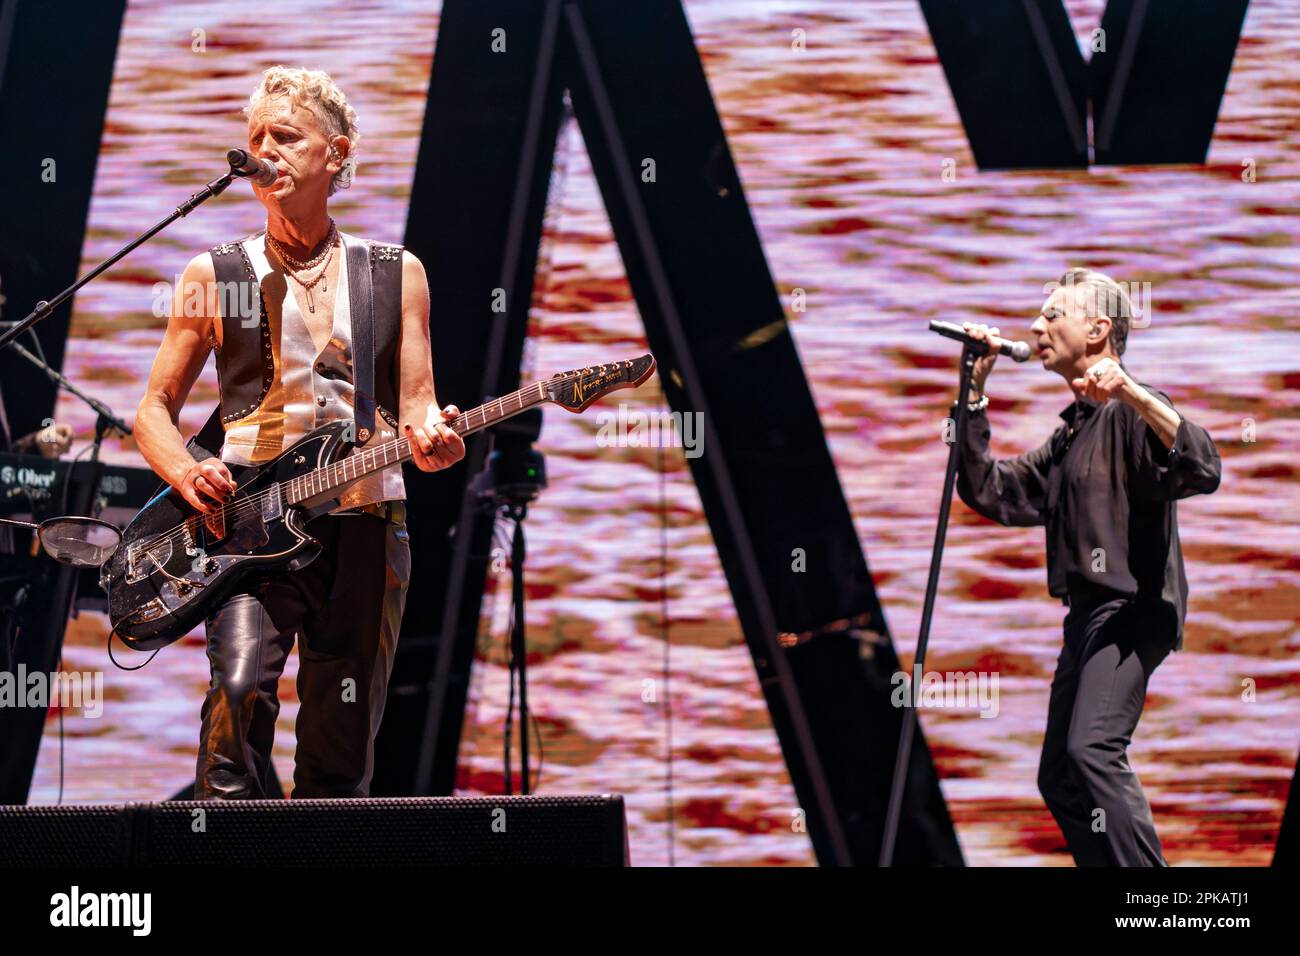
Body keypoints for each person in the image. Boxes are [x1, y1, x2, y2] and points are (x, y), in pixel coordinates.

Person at [134, 66, 465, 799]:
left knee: (338, 759)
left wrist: (437, 442)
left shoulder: (395, 273)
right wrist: (186, 474)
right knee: (236, 691)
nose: (265, 150)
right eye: (255, 138)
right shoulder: (211, 273)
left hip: (367, 526)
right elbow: (152, 410)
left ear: (336, 154)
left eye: (285, 136)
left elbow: (418, 411)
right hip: (249, 531)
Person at [956, 268, 1221, 865]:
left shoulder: (1132, 413)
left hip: (1130, 611)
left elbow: (1203, 467)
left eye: (1053, 315)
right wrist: (972, 396)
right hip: (1087, 621)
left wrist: (1130, 391)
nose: (1035, 327)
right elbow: (990, 491)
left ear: (1098, 329)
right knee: (1061, 777)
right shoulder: (1070, 436)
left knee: (1092, 750)